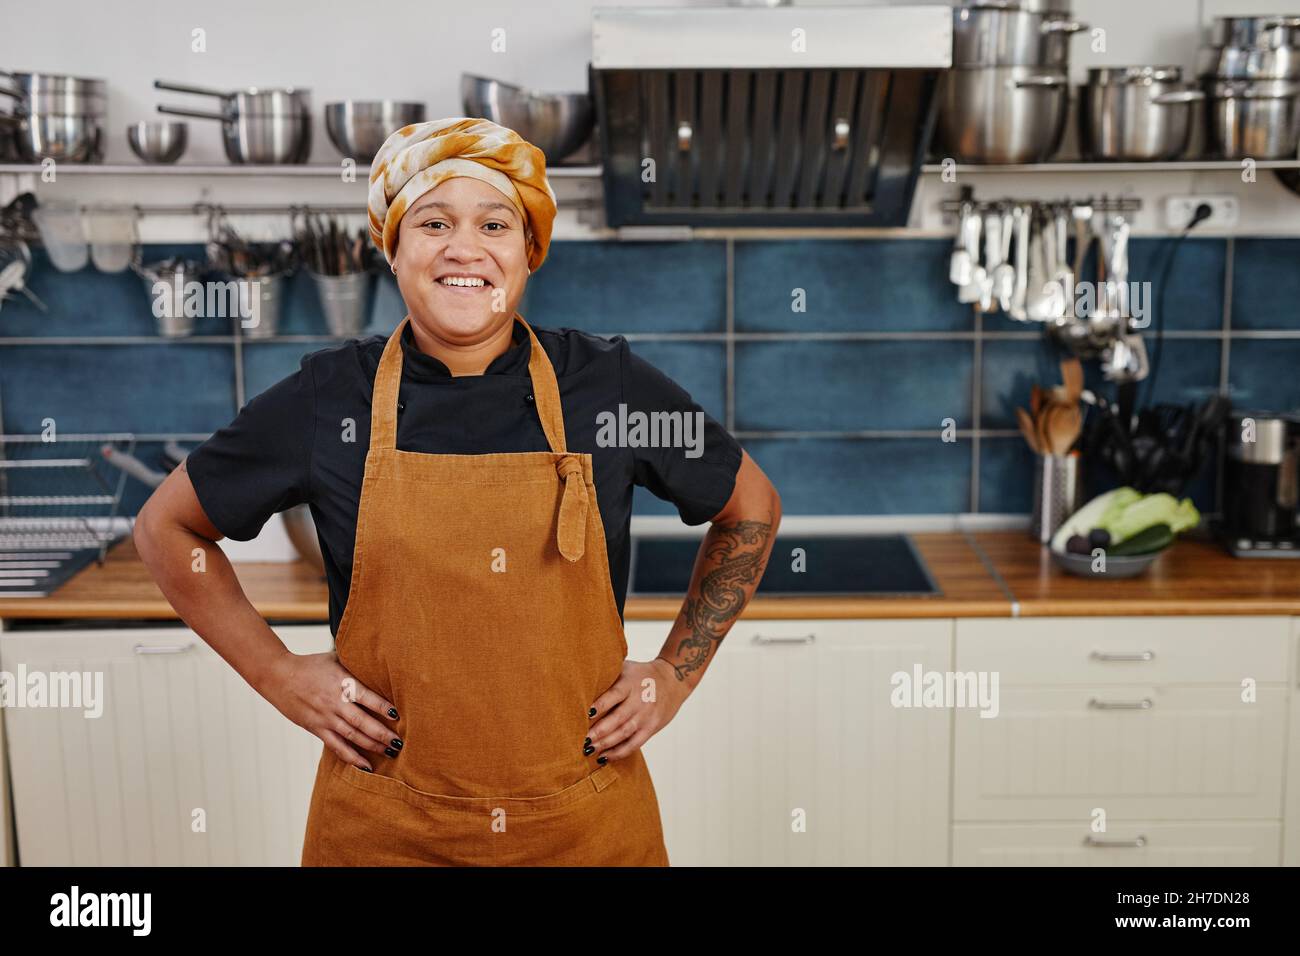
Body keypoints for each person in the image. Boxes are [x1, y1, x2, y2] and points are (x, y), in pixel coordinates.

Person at [134, 116, 782, 866]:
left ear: (528, 252)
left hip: (583, 827)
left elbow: (750, 505)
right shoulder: (329, 396)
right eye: (433, 222)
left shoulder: (606, 386)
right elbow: (167, 527)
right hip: (384, 829)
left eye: (495, 224)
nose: (463, 248)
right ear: (396, 250)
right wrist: (278, 675)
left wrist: (674, 676)